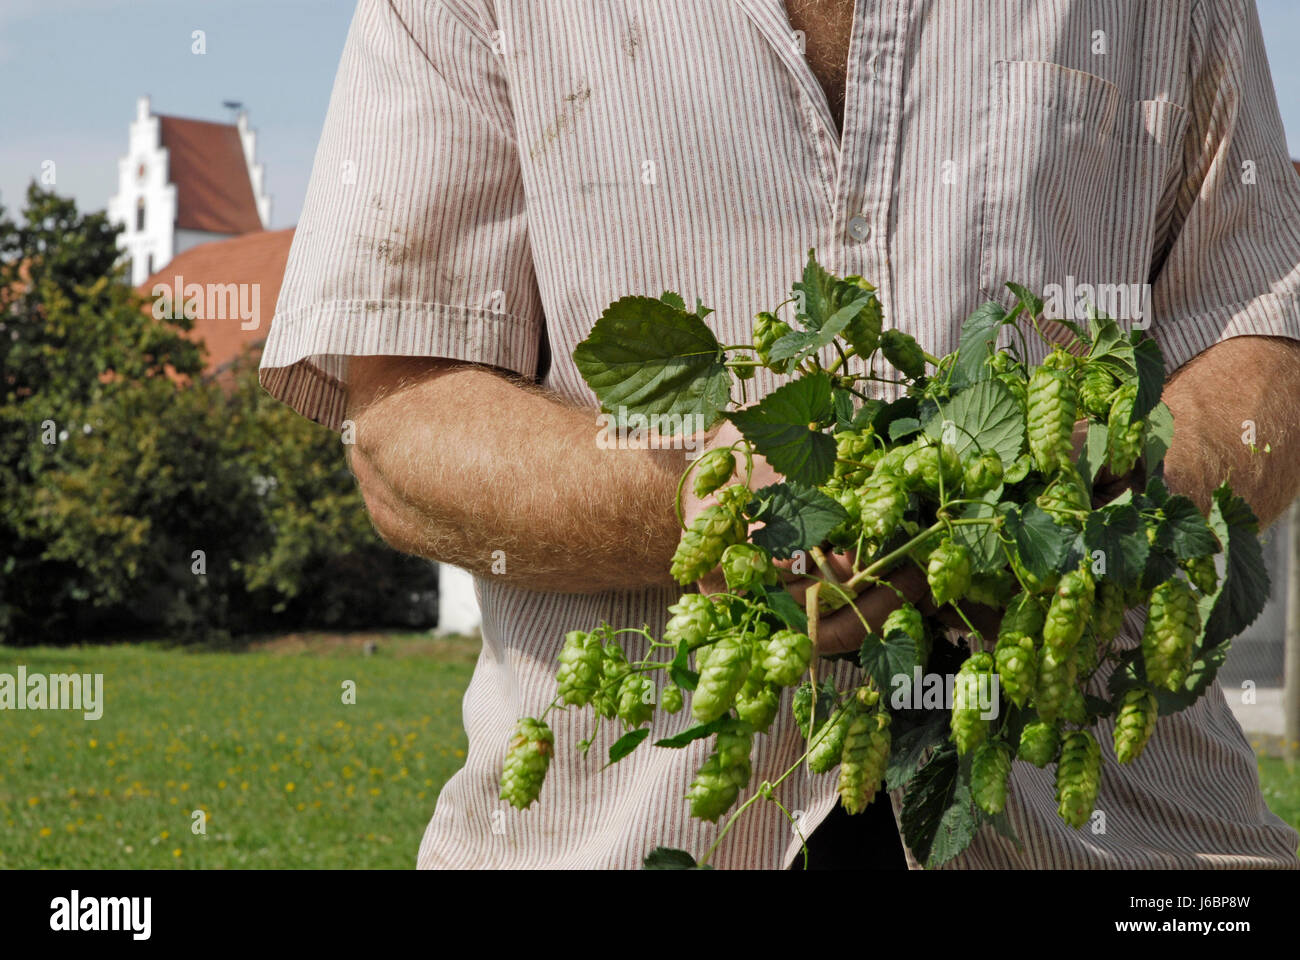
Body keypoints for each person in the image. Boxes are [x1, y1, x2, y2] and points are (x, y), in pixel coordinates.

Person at [260, 0, 1300, 868]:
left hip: (1117, 841)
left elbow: (1268, 340)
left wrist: (1071, 499)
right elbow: (407, 425)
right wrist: (707, 503)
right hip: (615, 832)